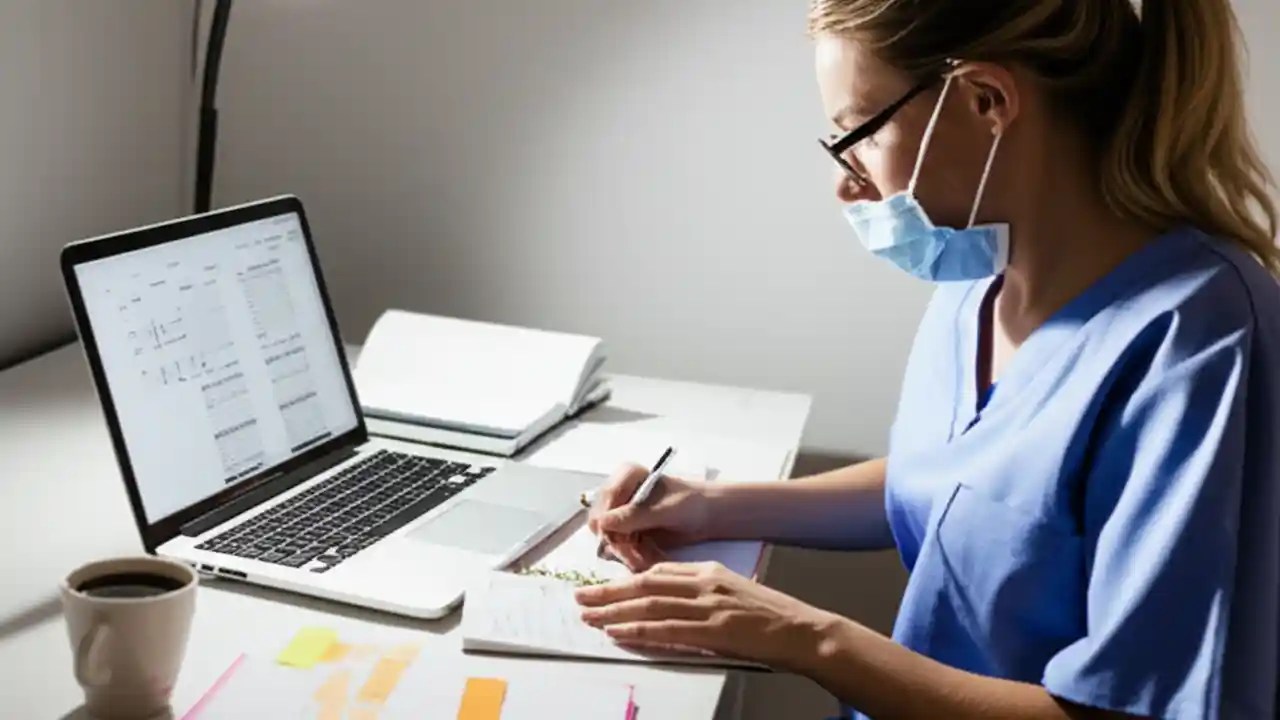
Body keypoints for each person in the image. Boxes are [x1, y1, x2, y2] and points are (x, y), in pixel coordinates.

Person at [573, 1, 1280, 718]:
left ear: (985, 100)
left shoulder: (1199, 341)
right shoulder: (980, 281)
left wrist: (805, 637)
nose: (847, 184)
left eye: (860, 134)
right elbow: (961, 485)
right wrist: (712, 506)